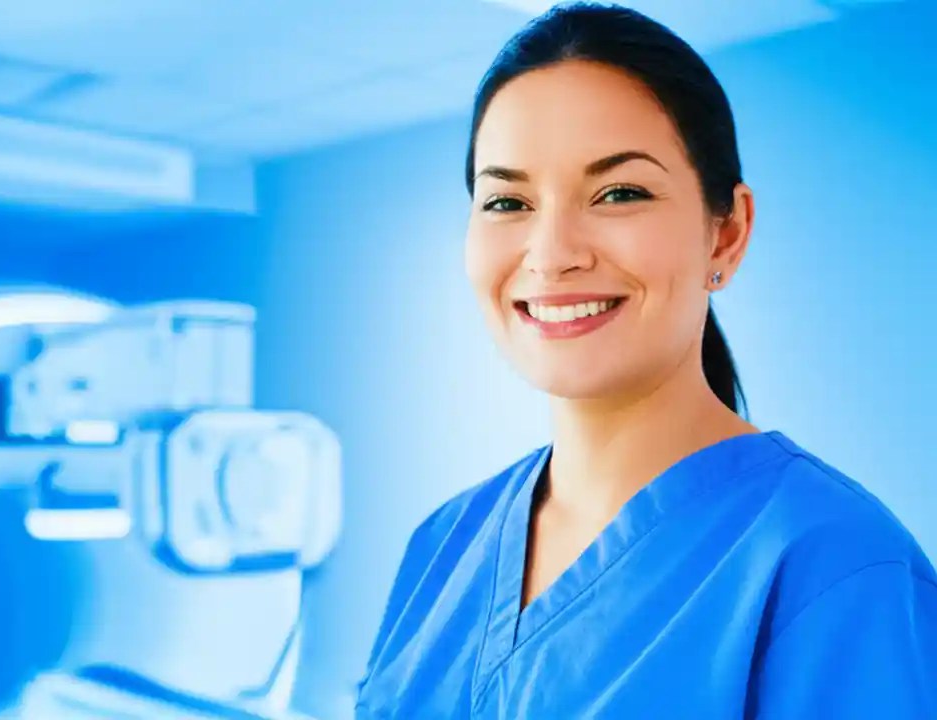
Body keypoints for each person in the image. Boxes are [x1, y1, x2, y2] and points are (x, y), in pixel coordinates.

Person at [353, 3, 937, 718]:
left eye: (619, 193)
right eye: (507, 201)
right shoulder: (442, 545)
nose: (553, 253)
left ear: (726, 234)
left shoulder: (836, 567)